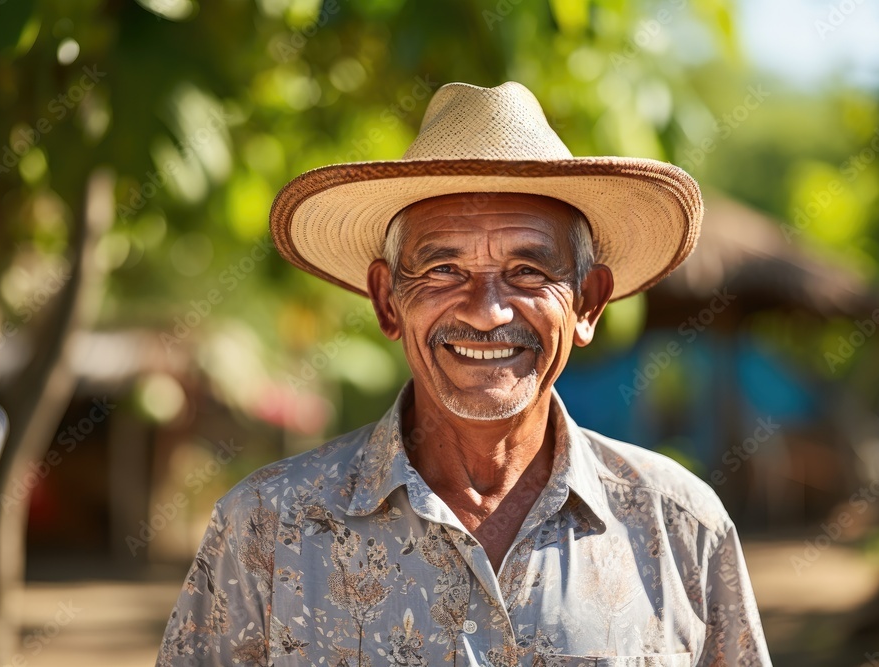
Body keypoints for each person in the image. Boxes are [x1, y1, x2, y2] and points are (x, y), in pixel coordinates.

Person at [156, 81, 772, 666]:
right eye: (443, 270)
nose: (486, 311)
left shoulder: (680, 527)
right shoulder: (266, 528)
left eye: (529, 271)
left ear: (587, 303)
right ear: (386, 300)